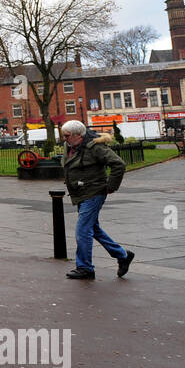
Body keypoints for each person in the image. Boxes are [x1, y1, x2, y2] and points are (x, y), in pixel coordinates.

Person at [61, 119, 133, 280]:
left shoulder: (95, 147)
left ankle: (85, 267)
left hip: (94, 192)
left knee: (83, 230)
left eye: (67, 136)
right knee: (94, 229)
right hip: (80, 192)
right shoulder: (70, 146)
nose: (64, 139)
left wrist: (111, 186)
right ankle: (122, 255)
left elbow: (118, 164)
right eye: (63, 136)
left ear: (78, 135)